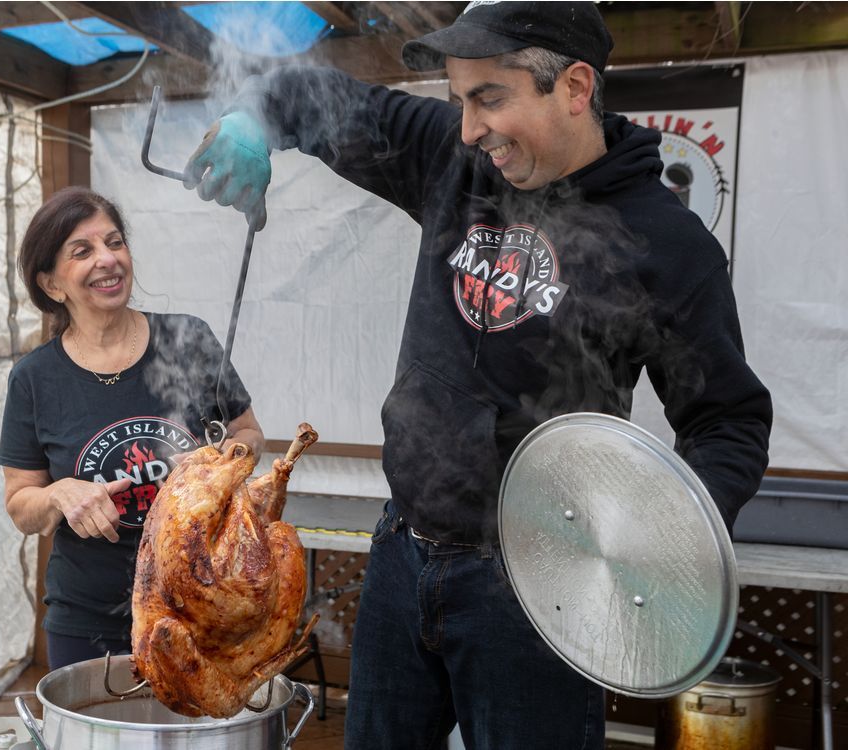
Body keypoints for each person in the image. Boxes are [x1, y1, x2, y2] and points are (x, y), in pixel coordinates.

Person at [182, 3, 772, 747]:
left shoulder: (665, 242)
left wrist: (664, 537)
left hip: (541, 586)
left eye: (490, 98)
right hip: (403, 550)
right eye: (459, 100)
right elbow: (303, 92)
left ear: (575, 87)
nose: (468, 128)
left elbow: (727, 422)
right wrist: (253, 119)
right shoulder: (452, 159)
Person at [0, 187, 264, 670]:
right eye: (82, 251)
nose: (108, 259)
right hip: (90, 619)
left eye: (115, 242)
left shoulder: (187, 338)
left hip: (201, 605)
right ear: (52, 284)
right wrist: (59, 493)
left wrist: (219, 461)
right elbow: (21, 504)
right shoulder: (35, 378)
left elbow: (249, 435)